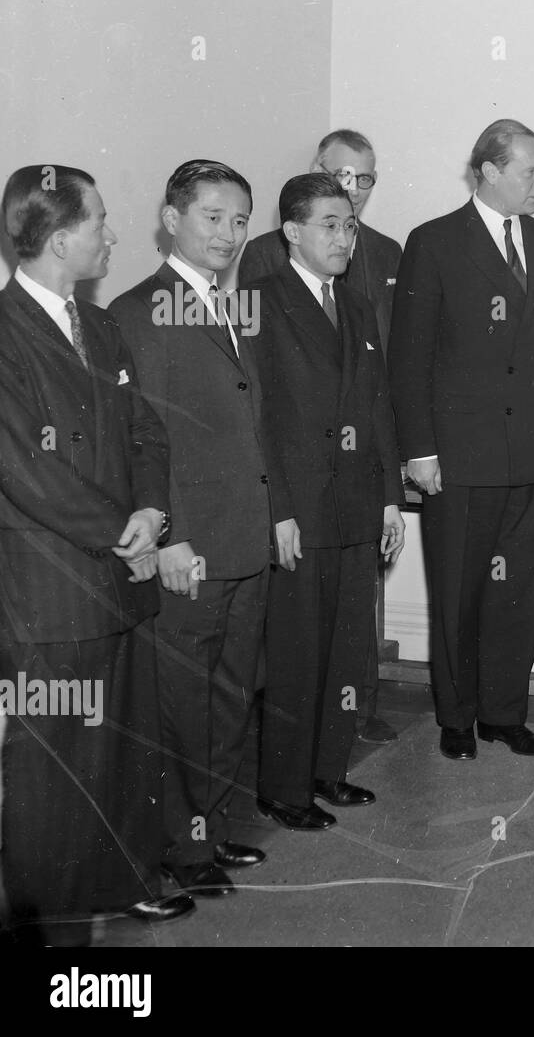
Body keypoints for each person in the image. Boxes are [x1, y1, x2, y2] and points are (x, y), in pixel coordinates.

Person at [0, 165, 193, 942]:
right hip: (49, 591)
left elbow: (146, 429)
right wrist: (121, 527)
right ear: (55, 238)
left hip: (118, 576)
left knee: (118, 746)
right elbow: (23, 467)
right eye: (100, 223)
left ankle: (120, 881)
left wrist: (151, 509)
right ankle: (48, 921)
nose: (113, 235)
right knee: (53, 763)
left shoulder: (103, 325)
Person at [389, 119, 534, 762]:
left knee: (520, 590)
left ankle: (504, 713)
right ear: (490, 171)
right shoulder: (435, 242)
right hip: (460, 459)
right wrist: (419, 450)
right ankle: (456, 717)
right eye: (532, 171)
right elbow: (410, 356)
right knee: (459, 593)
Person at [109, 160, 273, 897]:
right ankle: (180, 849)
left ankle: (210, 831)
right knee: (181, 706)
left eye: (240, 220)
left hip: (244, 539)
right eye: (212, 216)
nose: (228, 233)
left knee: (232, 696)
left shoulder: (229, 306)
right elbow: (141, 440)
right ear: (172, 219)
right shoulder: (139, 311)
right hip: (191, 549)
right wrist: (168, 538)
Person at [244, 173, 405, 831]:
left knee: (347, 649)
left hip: (357, 504)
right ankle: (283, 787)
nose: (346, 237)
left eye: (350, 226)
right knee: (296, 652)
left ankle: (328, 770)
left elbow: (377, 407)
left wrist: (391, 499)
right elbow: (256, 418)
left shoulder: (359, 304)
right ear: (292, 232)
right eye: (331, 225)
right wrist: (276, 508)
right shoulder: (259, 302)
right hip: (299, 511)